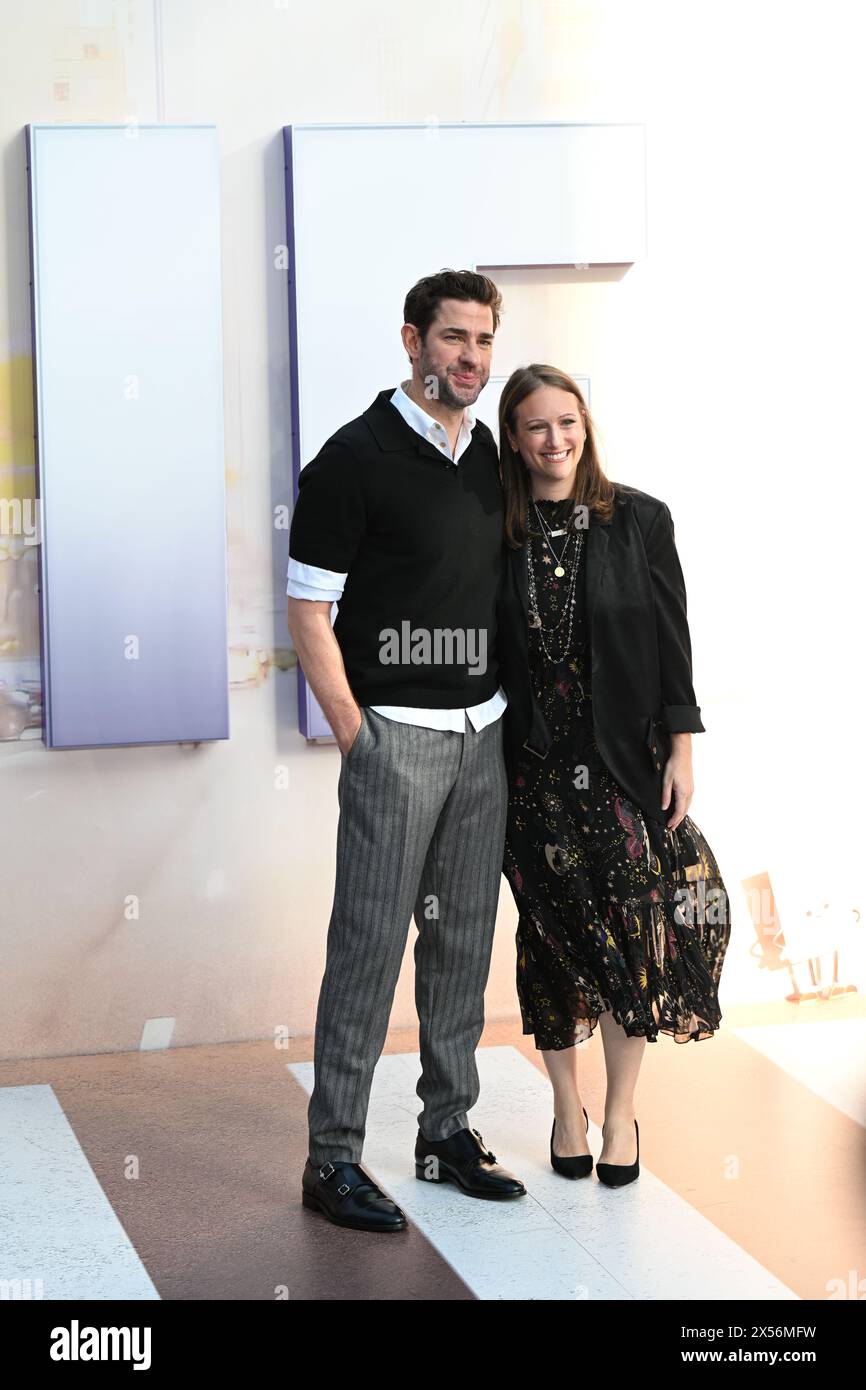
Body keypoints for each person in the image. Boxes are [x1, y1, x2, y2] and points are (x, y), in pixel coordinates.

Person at [286, 269, 526, 1234]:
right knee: (369, 946)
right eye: (453, 339)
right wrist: (358, 737)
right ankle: (331, 1157)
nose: (469, 358)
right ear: (411, 341)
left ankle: (445, 1132)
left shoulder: (488, 459)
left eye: (483, 343)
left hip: (484, 737)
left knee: (463, 945)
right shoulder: (354, 456)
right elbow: (309, 608)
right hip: (398, 742)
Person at [495, 364, 731, 1187]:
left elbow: (674, 643)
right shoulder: (500, 527)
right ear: (514, 439)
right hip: (530, 773)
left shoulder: (638, 519)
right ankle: (566, 1107)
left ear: (585, 426)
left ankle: (621, 1110)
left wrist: (682, 748)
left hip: (621, 763)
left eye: (568, 422)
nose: (555, 440)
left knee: (635, 933)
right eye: (536, 426)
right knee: (551, 944)